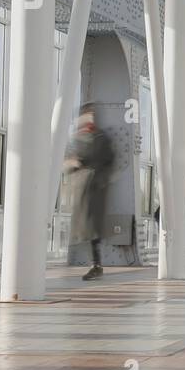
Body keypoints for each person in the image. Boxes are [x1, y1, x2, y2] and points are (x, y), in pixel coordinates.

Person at [65, 103, 116, 281]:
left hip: (94, 189)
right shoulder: (79, 138)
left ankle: (96, 264)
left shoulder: (101, 137)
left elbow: (109, 161)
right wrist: (73, 164)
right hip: (83, 188)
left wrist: (101, 179)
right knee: (87, 228)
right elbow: (69, 161)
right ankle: (96, 264)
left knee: (93, 227)